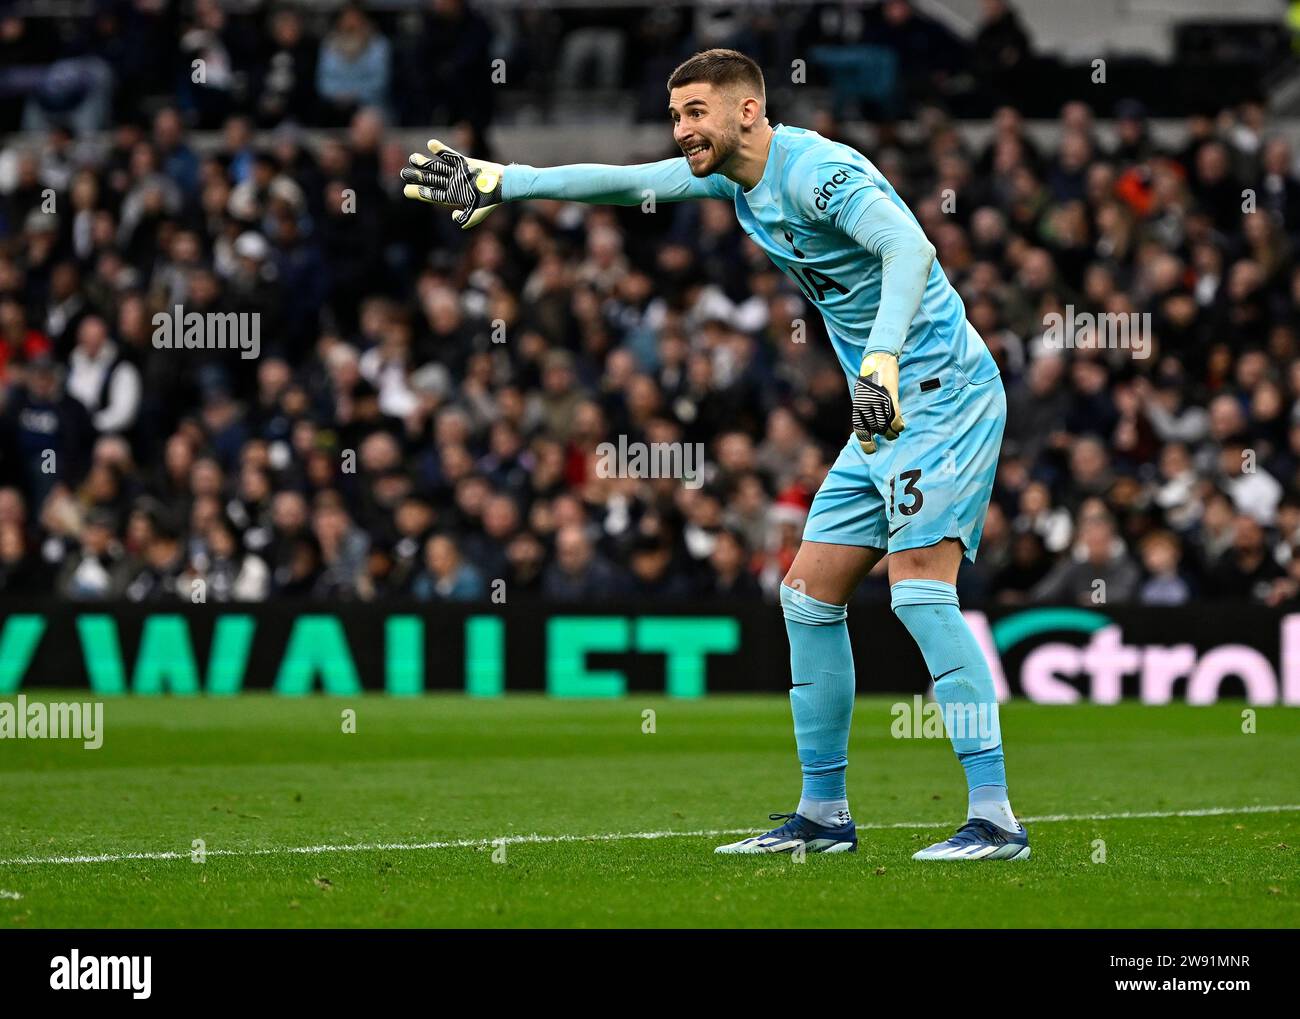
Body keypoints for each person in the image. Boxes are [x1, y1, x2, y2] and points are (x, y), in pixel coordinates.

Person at [400, 49, 1023, 862]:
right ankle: (824, 813)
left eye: (696, 112)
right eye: (676, 114)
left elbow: (911, 253)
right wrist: (506, 181)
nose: (682, 129)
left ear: (747, 113)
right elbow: (626, 184)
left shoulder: (818, 175)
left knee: (919, 594)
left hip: (939, 391)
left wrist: (880, 359)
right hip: (881, 410)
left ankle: (995, 815)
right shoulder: (734, 179)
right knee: (806, 597)